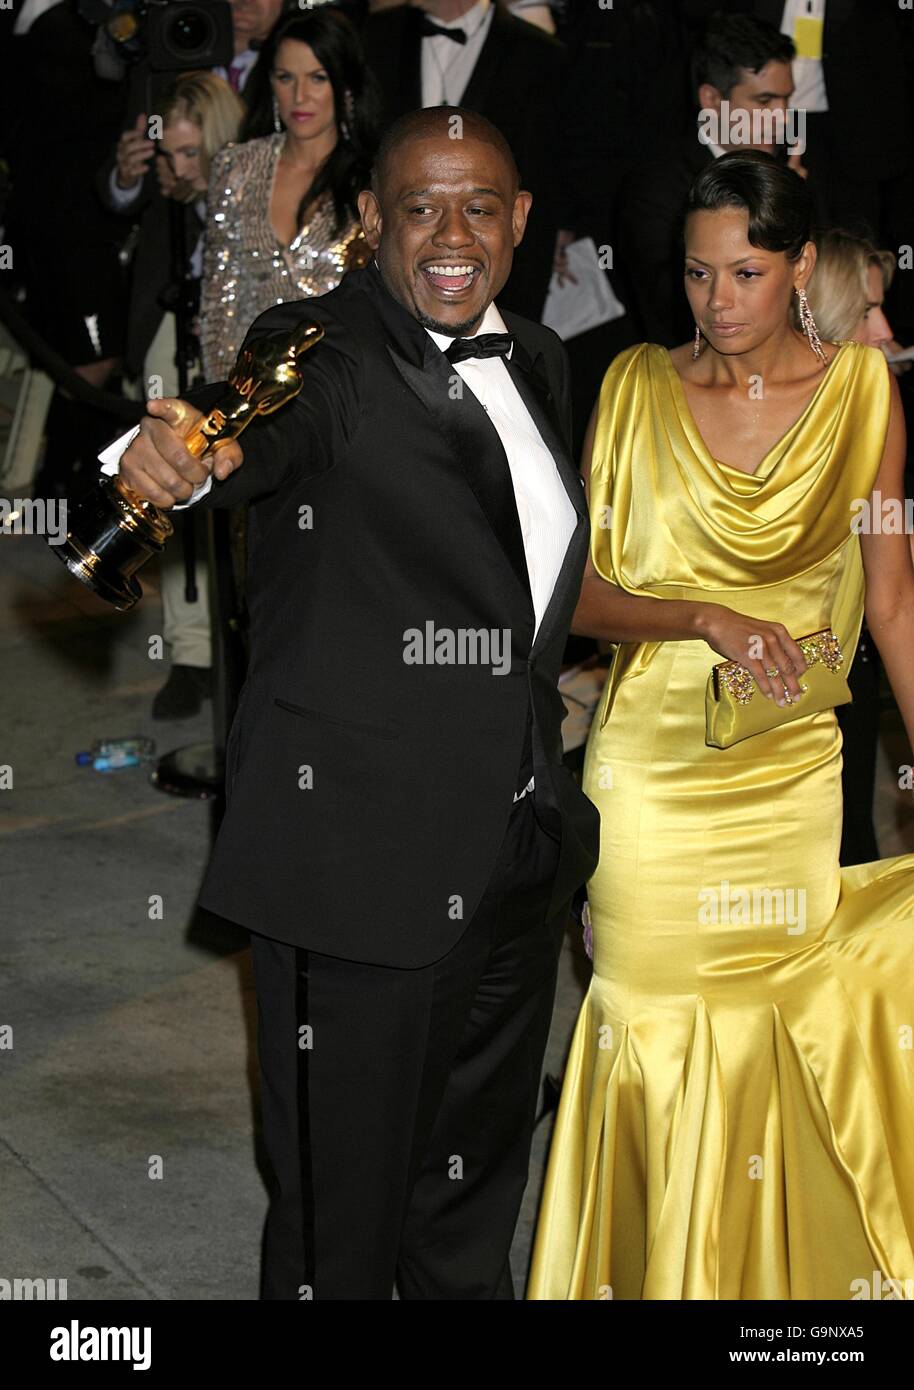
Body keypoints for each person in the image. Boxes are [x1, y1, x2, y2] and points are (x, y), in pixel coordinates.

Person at [95, 105, 601, 1299]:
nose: (450, 234)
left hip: (512, 849)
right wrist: (190, 449)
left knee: (467, 1211)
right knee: (341, 1228)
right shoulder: (319, 346)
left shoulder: (537, 355)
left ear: (519, 221)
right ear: (370, 218)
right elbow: (251, 420)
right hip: (358, 862)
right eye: (418, 205)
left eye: (479, 206)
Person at [528, 151, 914, 1300]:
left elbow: (888, 597)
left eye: (743, 273)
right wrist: (698, 612)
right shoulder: (633, 386)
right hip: (647, 770)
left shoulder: (863, 398)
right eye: (696, 276)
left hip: (788, 771)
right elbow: (575, 597)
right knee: (644, 1013)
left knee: (764, 1030)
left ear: (799, 266)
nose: (716, 302)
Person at [199, 8, 378, 382]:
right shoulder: (237, 167)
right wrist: (224, 402)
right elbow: (218, 303)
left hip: (340, 390)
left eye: (317, 78)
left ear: (345, 87)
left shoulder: (376, 179)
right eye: (285, 77)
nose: (300, 96)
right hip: (241, 392)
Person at [360, 0, 567, 322]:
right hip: (389, 284)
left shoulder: (539, 54)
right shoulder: (373, 38)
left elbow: (549, 174)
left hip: (505, 286)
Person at [803, 230, 905, 866]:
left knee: (849, 854)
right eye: (867, 311)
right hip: (743, 680)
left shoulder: (873, 401)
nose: (886, 328)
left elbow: (890, 581)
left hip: (851, 662)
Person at [616, 12, 799, 348]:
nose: (783, 118)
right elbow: (674, 310)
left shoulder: (793, 167)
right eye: (764, 101)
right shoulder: (658, 187)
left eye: (787, 100)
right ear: (712, 100)